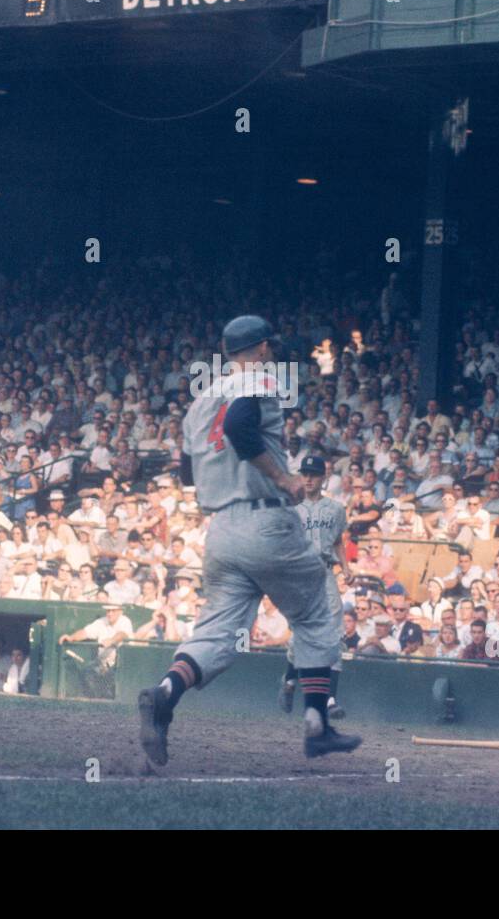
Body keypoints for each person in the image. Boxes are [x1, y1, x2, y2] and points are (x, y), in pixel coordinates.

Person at [138, 315, 360, 766]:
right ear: (259, 349)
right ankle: (317, 723)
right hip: (267, 519)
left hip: (221, 529)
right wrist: (281, 475)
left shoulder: (201, 400)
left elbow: (186, 471)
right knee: (316, 613)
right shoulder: (259, 377)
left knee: (218, 632)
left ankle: (166, 692)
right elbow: (241, 426)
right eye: (269, 347)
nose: (272, 354)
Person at [280, 455, 350, 719]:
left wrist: (346, 567)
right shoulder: (291, 510)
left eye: (314, 474)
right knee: (302, 632)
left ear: (323, 478)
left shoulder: (335, 509)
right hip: (299, 574)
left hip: (325, 571)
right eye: (305, 473)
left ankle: (330, 698)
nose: (308, 478)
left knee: (336, 632)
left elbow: (338, 542)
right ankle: (289, 681)